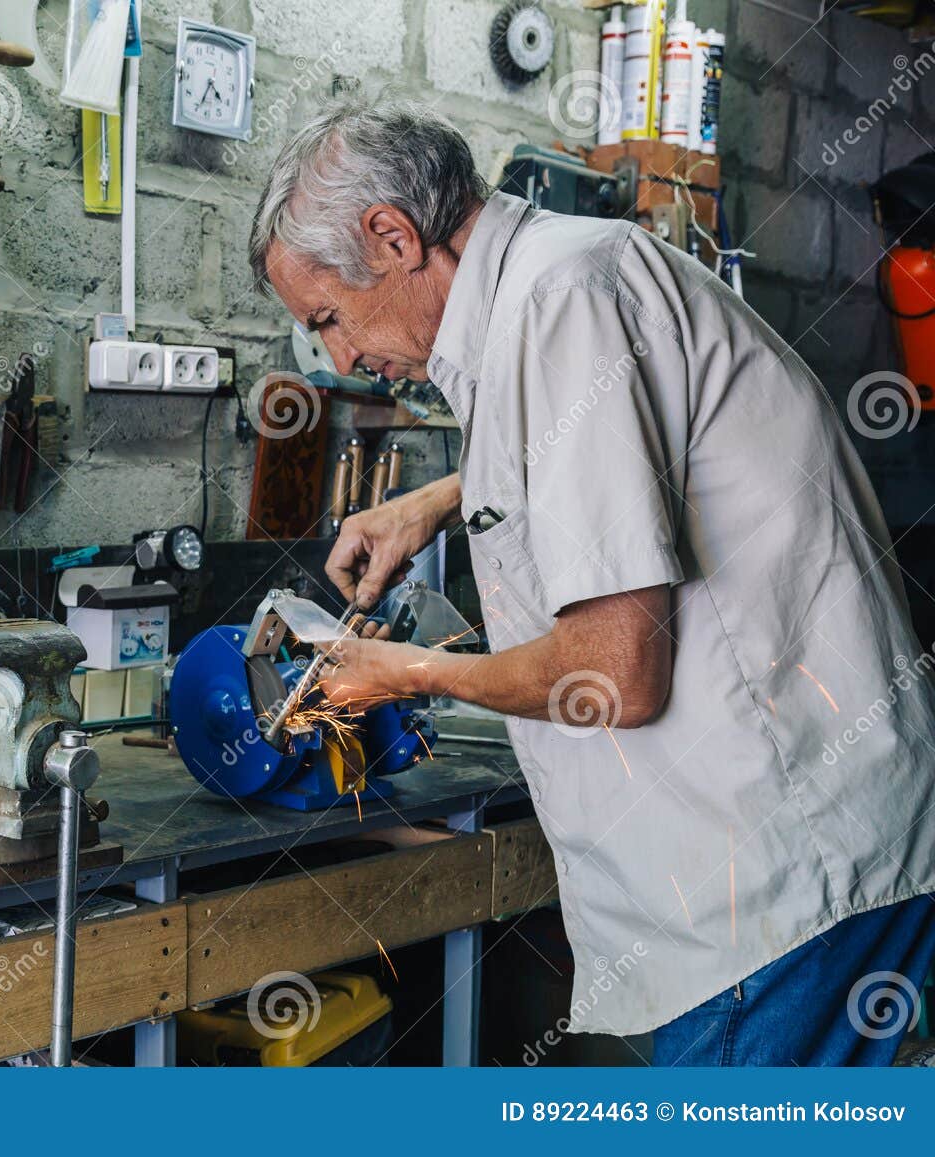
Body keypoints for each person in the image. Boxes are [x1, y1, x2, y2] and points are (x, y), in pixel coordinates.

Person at [249, 95, 935, 1065]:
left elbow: (614, 672)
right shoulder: (551, 286)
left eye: (326, 317)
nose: (338, 354)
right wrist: (436, 499)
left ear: (392, 235)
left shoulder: (562, 299)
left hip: (778, 888)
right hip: (790, 870)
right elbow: (626, 449)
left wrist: (400, 670)